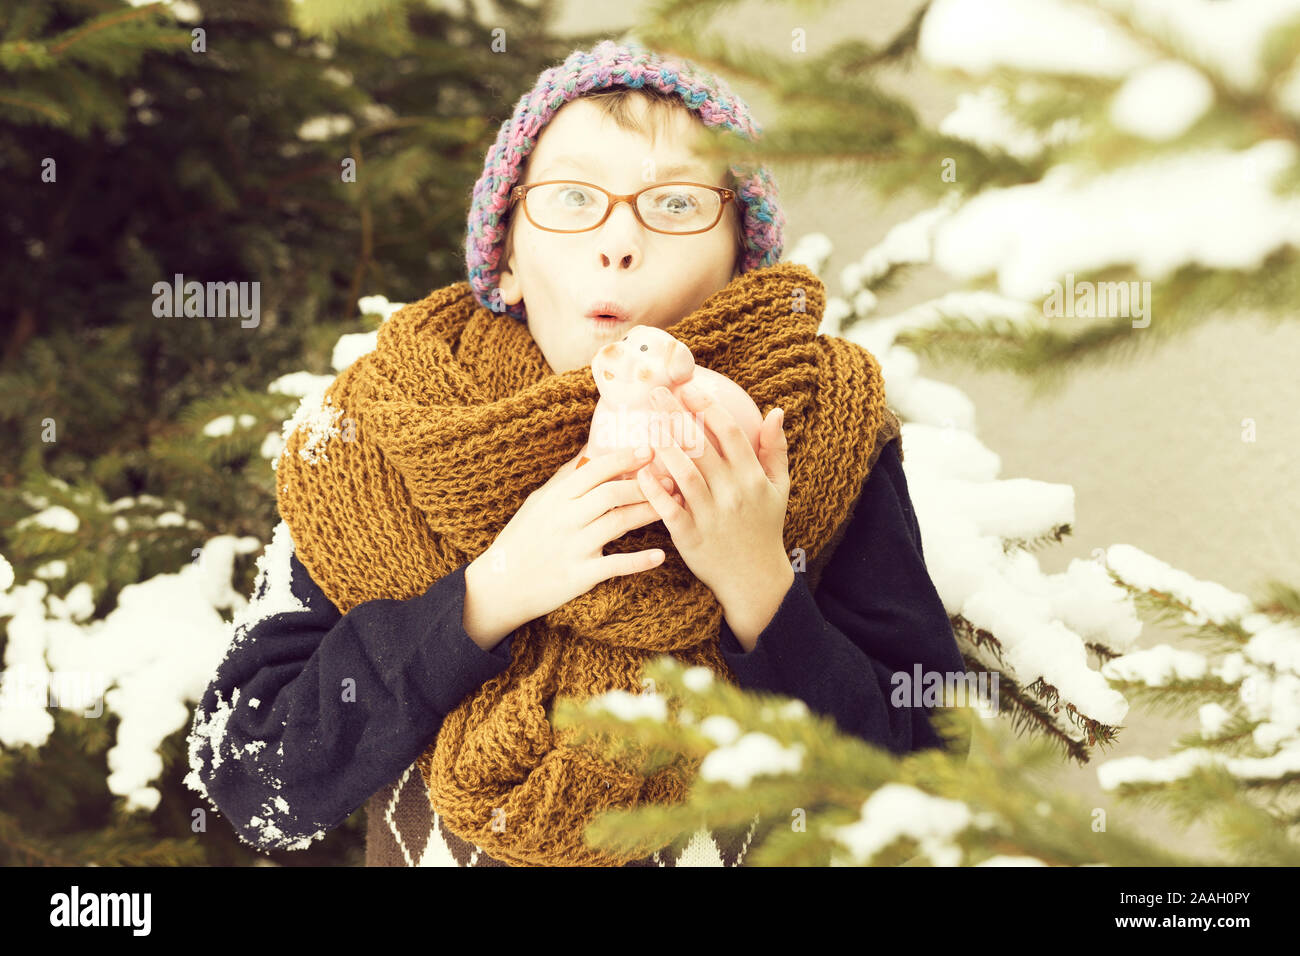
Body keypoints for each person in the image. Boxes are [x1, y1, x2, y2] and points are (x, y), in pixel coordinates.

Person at [186, 38, 969, 868]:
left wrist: (757, 580)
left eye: (674, 204)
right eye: (570, 199)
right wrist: (488, 594)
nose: (620, 242)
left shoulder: (816, 429)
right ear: (508, 257)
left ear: (741, 258)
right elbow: (254, 781)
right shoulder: (374, 442)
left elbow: (931, 788)